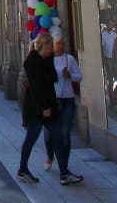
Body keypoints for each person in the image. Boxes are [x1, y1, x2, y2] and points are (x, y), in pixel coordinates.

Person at [17, 33, 83, 185]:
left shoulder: (47, 60)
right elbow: (35, 88)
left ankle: (64, 173)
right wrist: (44, 107)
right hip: (36, 109)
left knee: (58, 136)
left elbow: (51, 79)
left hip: (49, 106)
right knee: (31, 139)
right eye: (50, 46)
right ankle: (22, 170)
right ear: (44, 46)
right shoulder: (33, 61)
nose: (52, 49)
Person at [44, 36, 82, 173]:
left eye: (62, 43)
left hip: (67, 100)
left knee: (65, 133)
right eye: (57, 43)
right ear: (52, 45)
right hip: (52, 101)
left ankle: (64, 166)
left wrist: (70, 75)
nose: (60, 45)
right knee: (48, 134)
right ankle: (50, 156)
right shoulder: (48, 59)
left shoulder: (69, 59)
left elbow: (79, 77)